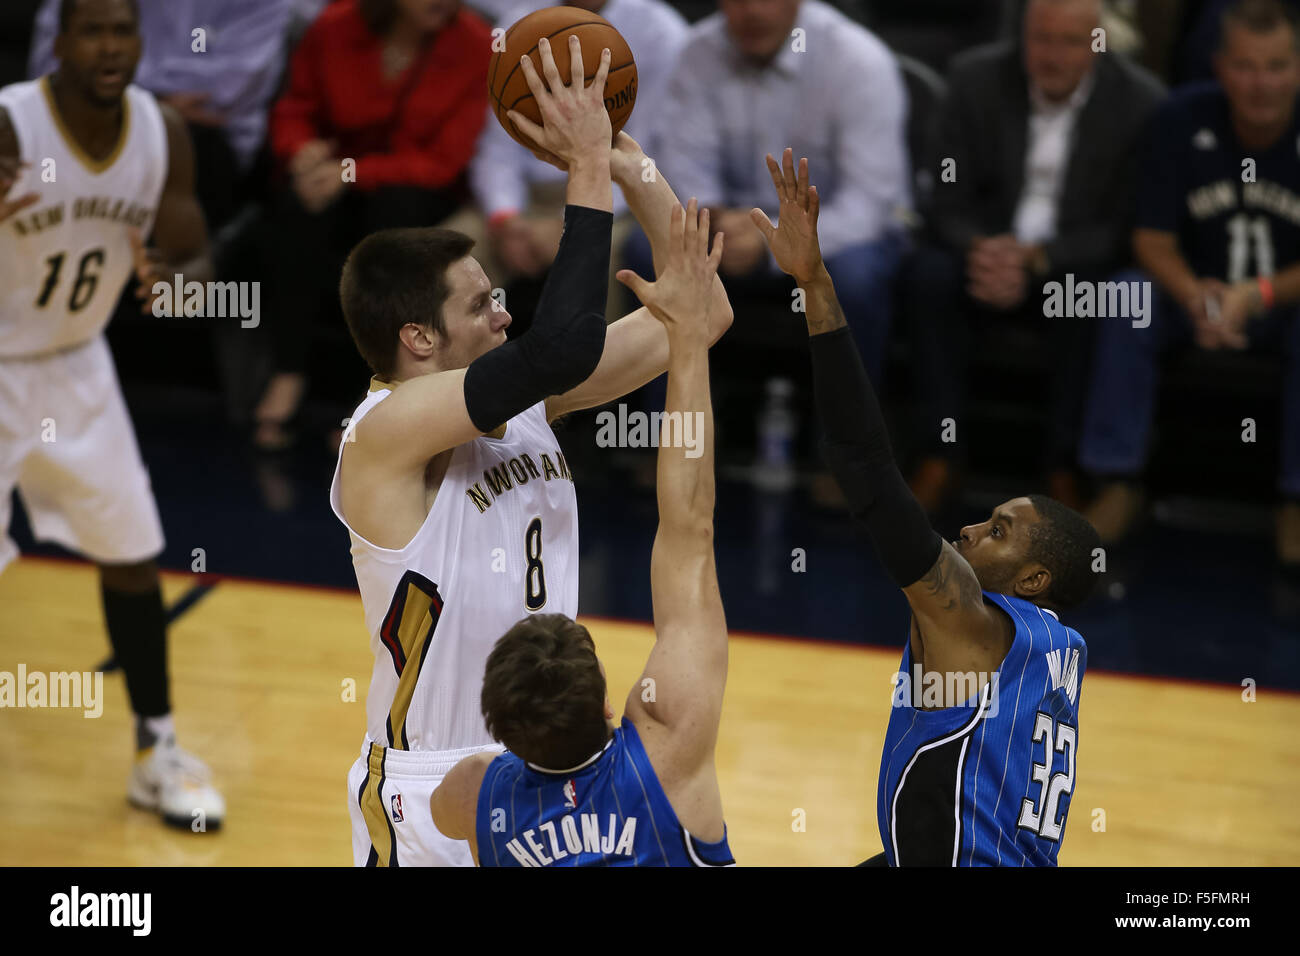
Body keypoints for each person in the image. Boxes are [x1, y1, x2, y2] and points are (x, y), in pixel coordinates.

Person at [330, 35, 733, 866]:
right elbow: (561, 345)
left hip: (548, 761)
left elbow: (704, 312)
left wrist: (627, 164)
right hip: (430, 786)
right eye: (481, 306)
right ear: (417, 337)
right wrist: (581, 172)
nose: (502, 315)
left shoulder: (524, 404)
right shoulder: (382, 438)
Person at [754, 148, 1098, 865]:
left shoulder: (967, 615)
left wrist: (815, 284)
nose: (971, 527)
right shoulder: (1060, 652)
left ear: (1033, 579)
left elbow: (865, 466)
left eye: (1000, 531)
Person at [430, 199, 734, 867]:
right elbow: (690, 529)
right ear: (605, 707)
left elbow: (444, 804)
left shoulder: (474, 798)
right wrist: (686, 342)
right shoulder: (667, 747)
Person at [0, 0, 223, 829]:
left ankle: (155, 749)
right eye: (90, 29)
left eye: (122, 29)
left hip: (76, 365)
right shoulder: (13, 126)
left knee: (132, 553)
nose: (108, 46)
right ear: (57, 42)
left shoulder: (162, 133)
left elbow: (193, 259)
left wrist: (175, 277)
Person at [903, 0, 1165, 513]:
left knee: (1092, 296)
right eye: (1041, 39)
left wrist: (1039, 259)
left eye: (1070, 42)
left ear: (1097, 42)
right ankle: (940, 455)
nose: (1053, 56)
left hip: (1066, 261)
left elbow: (1124, 226)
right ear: (1021, 37)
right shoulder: (974, 78)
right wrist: (982, 248)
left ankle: (1062, 467)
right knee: (926, 277)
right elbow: (943, 193)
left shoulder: (1139, 102)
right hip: (985, 252)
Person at [1080, 0, 1300, 568]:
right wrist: (1197, 298)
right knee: (1128, 297)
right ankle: (1117, 482)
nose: (1262, 83)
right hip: (1191, 297)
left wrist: (1259, 295)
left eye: (1277, 66)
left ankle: (1295, 501)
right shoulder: (1179, 117)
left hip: (1280, 302)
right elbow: (1151, 238)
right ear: (1221, 67)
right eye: (1247, 67)